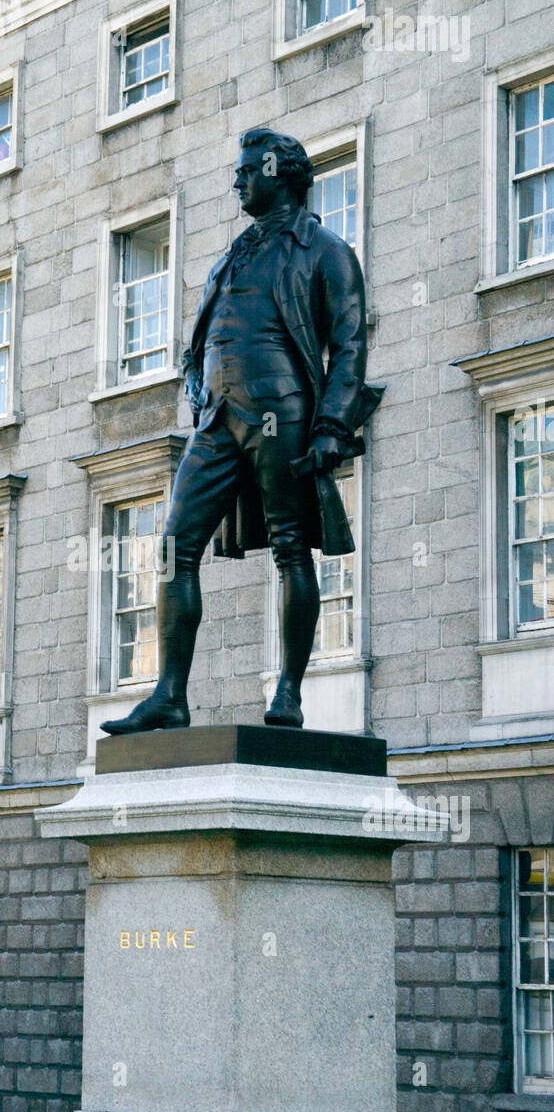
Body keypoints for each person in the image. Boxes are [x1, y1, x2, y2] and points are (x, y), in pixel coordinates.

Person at [101, 127, 382, 734]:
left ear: (278, 170)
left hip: (283, 410)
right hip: (217, 417)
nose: (237, 179)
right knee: (175, 547)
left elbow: (350, 344)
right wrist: (196, 386)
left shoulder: (325, 250)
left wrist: (331, 424)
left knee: (290, 548)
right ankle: (170, 696)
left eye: (247, 169)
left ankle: (288, 692)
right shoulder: (232, 254)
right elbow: (200, 339)